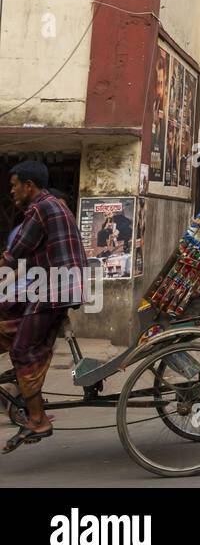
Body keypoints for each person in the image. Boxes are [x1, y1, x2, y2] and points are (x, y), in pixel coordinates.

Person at [1, 161, 87, 453]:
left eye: (14, 186)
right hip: (52, 286)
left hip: (55, 291)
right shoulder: (52, 205)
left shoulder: (40, 208)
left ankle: (37, 418)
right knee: (6, 312)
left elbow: (15, 255)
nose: (11, 191)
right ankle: (24, 383)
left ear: (29, 186)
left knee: (22, 350)